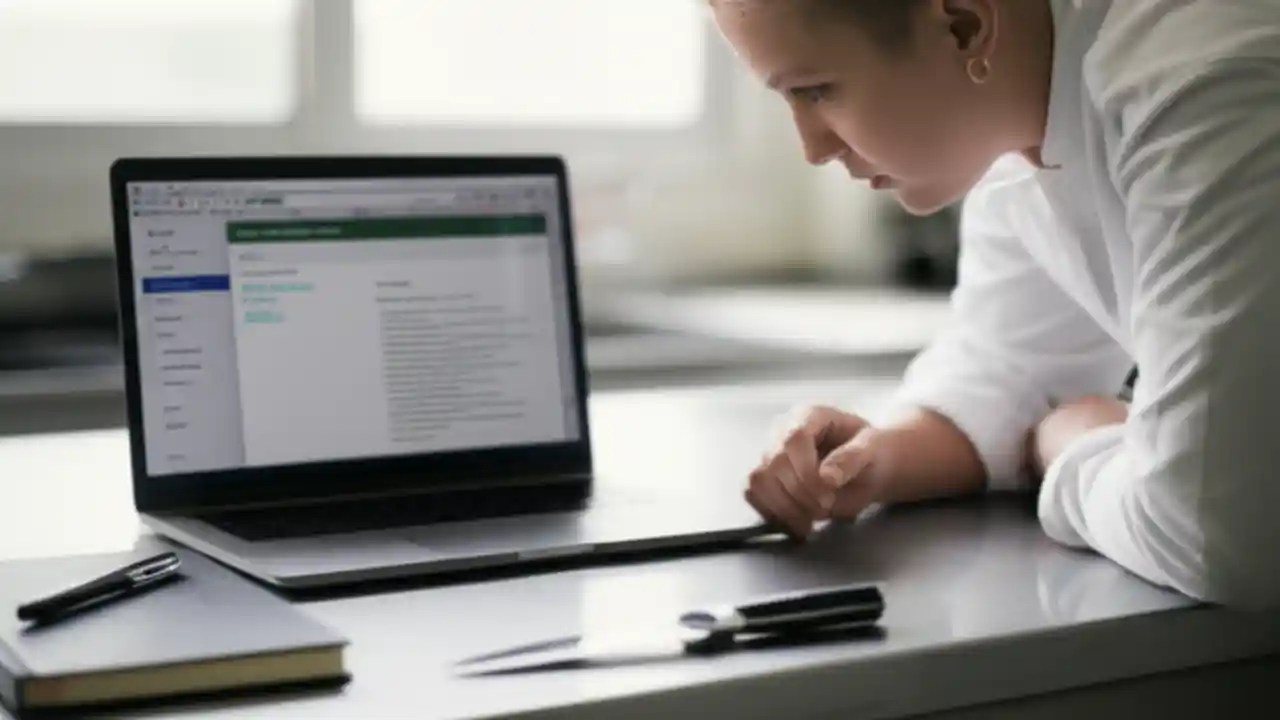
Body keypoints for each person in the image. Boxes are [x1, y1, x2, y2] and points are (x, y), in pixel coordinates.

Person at [711, 0, 1280, 608]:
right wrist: (878, 458)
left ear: (966, 24)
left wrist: (1072, 444)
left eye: (817, 89)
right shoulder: (1021, 125)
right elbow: (1012, 369)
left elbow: (1222, 537)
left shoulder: (1201, 85)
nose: (811, 148)